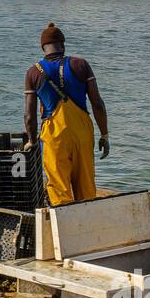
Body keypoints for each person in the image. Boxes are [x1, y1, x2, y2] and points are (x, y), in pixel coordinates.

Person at [23, 22, 109, 205]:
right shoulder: (80, 65)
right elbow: (98, 104)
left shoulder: (33, 73)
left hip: (54, 138)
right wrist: (104, 134)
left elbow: (29, 116)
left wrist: (32, 141)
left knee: (59, 190)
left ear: (43, 48)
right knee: (86, 188)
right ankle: (88, 228)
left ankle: (64, 230)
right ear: (62, 45)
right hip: (82, 134)